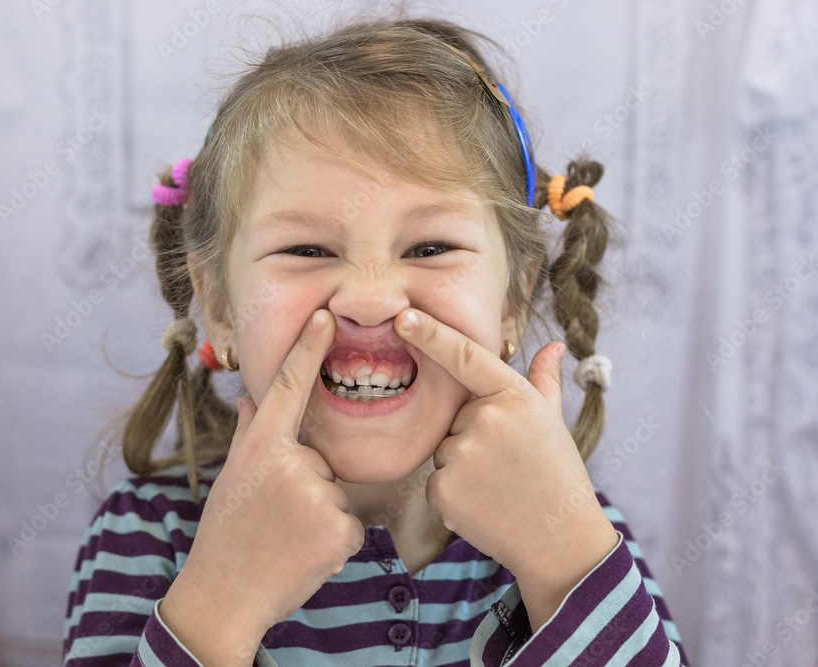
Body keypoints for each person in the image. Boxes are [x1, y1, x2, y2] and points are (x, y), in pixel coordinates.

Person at [63, 14, 690, 666]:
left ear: (513, 300)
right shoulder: (147, 538)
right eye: (306, 248)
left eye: (429, 247)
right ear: (218, 304)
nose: (367, 298)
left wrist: (563, 562)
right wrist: (222, 603)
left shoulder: (572, 530)